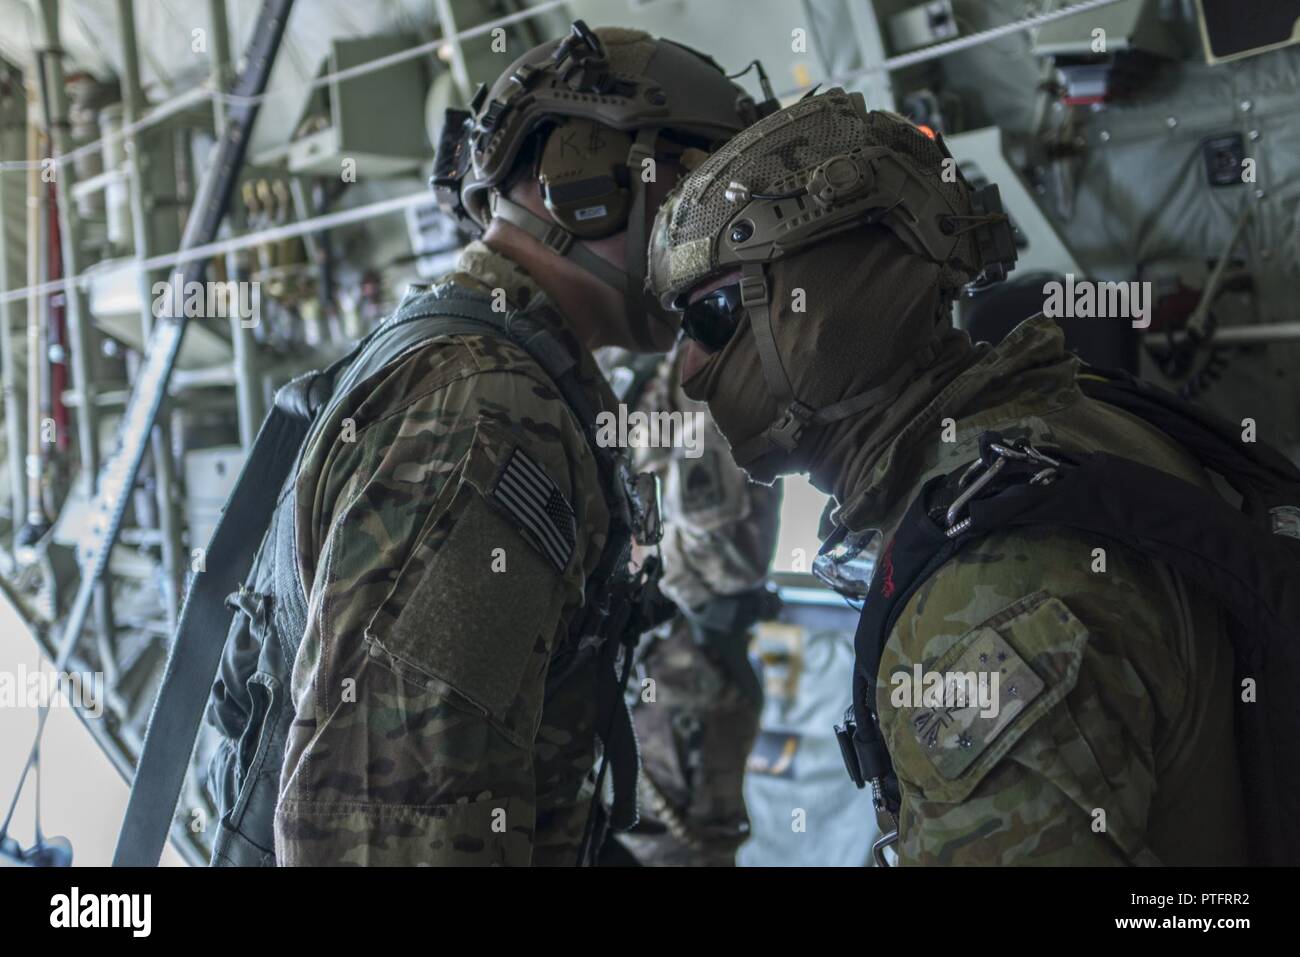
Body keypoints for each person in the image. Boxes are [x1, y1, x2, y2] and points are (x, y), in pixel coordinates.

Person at [205, 22, 764, 866]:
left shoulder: (471, 360)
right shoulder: (488, 413)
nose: (717, 238)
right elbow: (385, 836)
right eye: (697, 191)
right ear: (587, 183)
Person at [645, 87, 1251, 865]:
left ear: (822, 307)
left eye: (712, 317)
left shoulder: (982, 605)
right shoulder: (1058, 422)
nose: (691, 372)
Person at [598, 346, 782, 866]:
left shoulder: (705, 369)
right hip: (637, 661)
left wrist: (642, 567)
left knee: (673, 849)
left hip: (689, 667)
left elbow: (722, 553)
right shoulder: (622, 364)